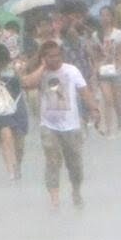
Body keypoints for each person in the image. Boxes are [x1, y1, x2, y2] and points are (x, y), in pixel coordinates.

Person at [21, 40, 102, 210]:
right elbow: (26, 83)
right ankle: (55, 200)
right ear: (44, 58)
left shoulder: (71, 71)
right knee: (52, 162)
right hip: (49, 126)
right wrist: (42, 67)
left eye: (58, 55)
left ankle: (76, 191)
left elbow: (84, 92)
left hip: (71, 126)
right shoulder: (41, 73)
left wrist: (94, 109)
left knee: (75, 164)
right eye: (51, 56)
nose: (55, 59)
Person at [0, 43, 28, 181]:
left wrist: (20, 72)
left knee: (19, 142)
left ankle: (17, 165)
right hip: (2, 109)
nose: (1, 62)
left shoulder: (16, 67)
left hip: (17, 106)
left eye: (3, 59)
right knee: (6, 139)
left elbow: (23, 83)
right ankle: (11, 171)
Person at [93, 6, 121, 135]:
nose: (105, 18)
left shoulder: (118, 34)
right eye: (102, 15)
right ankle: (109, 128)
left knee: (118, 101)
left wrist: (114, 58)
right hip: (103, 72)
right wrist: (96, 70)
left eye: (107, 15)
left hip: (116, 71)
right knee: (108, 100)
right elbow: (95, 56)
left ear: (112, 17)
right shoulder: (96, 35)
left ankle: (120, 120)